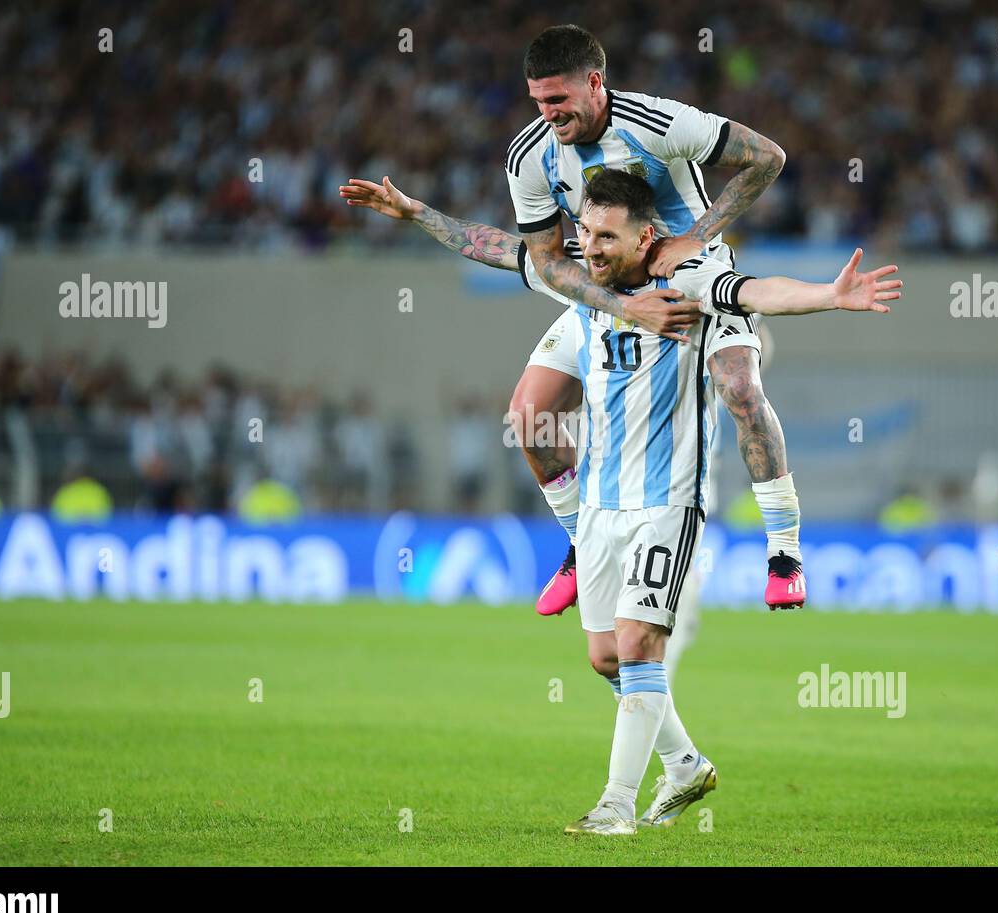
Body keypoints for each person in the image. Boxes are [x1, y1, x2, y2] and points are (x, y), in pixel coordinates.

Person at [348, 169, 899, 832]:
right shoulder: (583, 281)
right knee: (605, 656)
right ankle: (685, 764)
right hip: (601, 505)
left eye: (606, 236)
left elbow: (756, 291)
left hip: (668, 499)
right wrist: (415, 212)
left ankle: (615, 806)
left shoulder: (689, 285)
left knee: (638, 645)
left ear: (646, 238)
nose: (591, 246)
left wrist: (830, 296)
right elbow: (492, 246)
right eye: (585, 232)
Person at [349, 24, 806, 617]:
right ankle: (581, 543)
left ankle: (784, 552)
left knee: (740, 388)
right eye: (538, 100)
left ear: (594, 83)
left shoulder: (658, 123)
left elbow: (767, 157)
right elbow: (536, 257)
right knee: (529, 416)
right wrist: (417, 214)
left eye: (558, 99)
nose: (548, 113)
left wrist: (694, 236)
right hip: (609, 292)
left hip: (692, 280)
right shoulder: (530, 156)